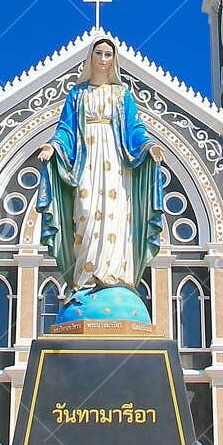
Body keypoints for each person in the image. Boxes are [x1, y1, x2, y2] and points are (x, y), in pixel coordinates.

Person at [36, 38, 164, 311]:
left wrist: (149, 145)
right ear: (91, 57)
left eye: (108, 54)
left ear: (113, 60)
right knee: (85, 213)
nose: (103, 58)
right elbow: (66, 129)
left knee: (115, 216)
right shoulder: (78, 94)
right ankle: (84, 279)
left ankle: (116, 276)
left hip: (116, 165)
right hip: (87, 163)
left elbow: (135, 128)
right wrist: (54, 146)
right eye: (99, 53)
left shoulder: (122, 95)